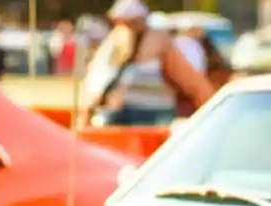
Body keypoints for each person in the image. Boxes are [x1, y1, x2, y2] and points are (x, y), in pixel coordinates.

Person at [78, 0, 212, 128]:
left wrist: (210, 115)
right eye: (121, 23)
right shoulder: (110, 48)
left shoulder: (162, 47)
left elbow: (196, 86)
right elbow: (91, 94)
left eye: (131, 23)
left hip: (154, 124)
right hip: (117, 125)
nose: (125, 28)